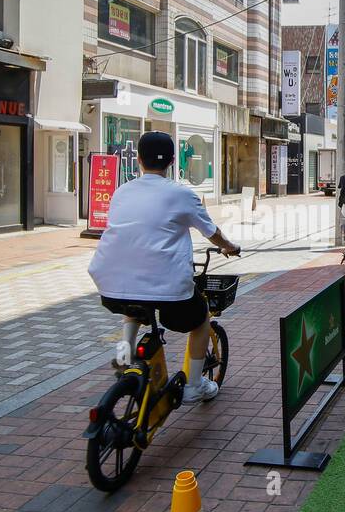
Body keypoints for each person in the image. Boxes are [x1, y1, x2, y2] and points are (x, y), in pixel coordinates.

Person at [89, 131, 240, 403]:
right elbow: (211, 232)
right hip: (167, 287)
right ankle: (194, 386)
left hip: (110, 283)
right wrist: (229, 246)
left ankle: (124, 355)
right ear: (172, 161)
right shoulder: (181, 194)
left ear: (138, 160)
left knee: (133, 305)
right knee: (201, 318)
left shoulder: (122, 192)